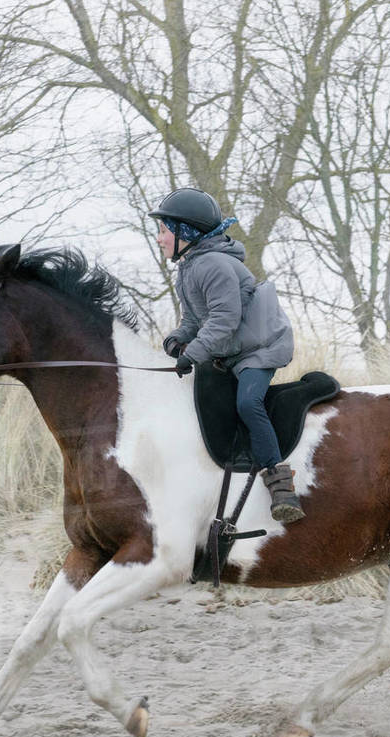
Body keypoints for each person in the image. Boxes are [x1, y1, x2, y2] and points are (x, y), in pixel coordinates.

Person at [151, 187, 305, 523]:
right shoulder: (189, 269)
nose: (160, 239)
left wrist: (193, 354)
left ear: (185, 233)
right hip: (231, 351)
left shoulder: (214, 265)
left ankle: (281, 487)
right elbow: (194, 320)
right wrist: (177, 340)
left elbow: (224, 320)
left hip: (258, 351)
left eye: (163, 231)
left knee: (248, 403)